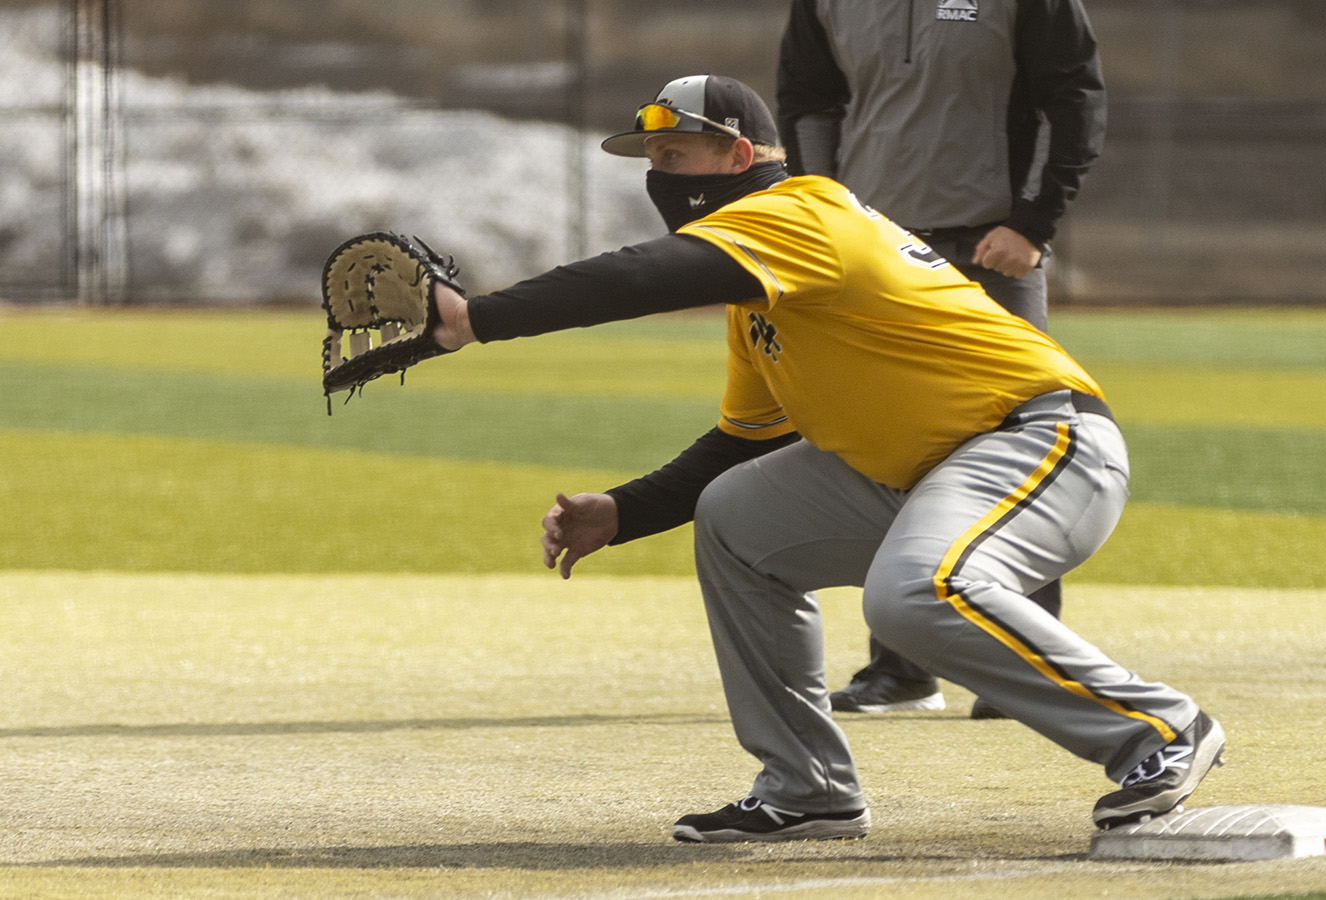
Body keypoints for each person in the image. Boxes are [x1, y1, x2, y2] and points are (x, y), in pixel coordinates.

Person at [424, 74, 1223, 843]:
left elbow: (642, 276)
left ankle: (1158, 729)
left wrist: (480, 318)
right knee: (736, 518)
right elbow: (744, 441)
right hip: (930, 474)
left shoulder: (802, 208)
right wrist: (625, 510)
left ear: (740, 157)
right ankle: (807, 789)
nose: (659, 179)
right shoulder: (759, 298)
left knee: (913, 597)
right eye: (652, 164)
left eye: (675, 157)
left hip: (1041, 441)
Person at [775, 0, 1107, 719]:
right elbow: (809, 100)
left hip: (991, 249)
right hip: (871, 254)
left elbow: (1073, 98)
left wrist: (1031, 222)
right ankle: (899, 669)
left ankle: (1016, 664)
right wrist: (823, 217)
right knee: (884, 442)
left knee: (1020, 441)